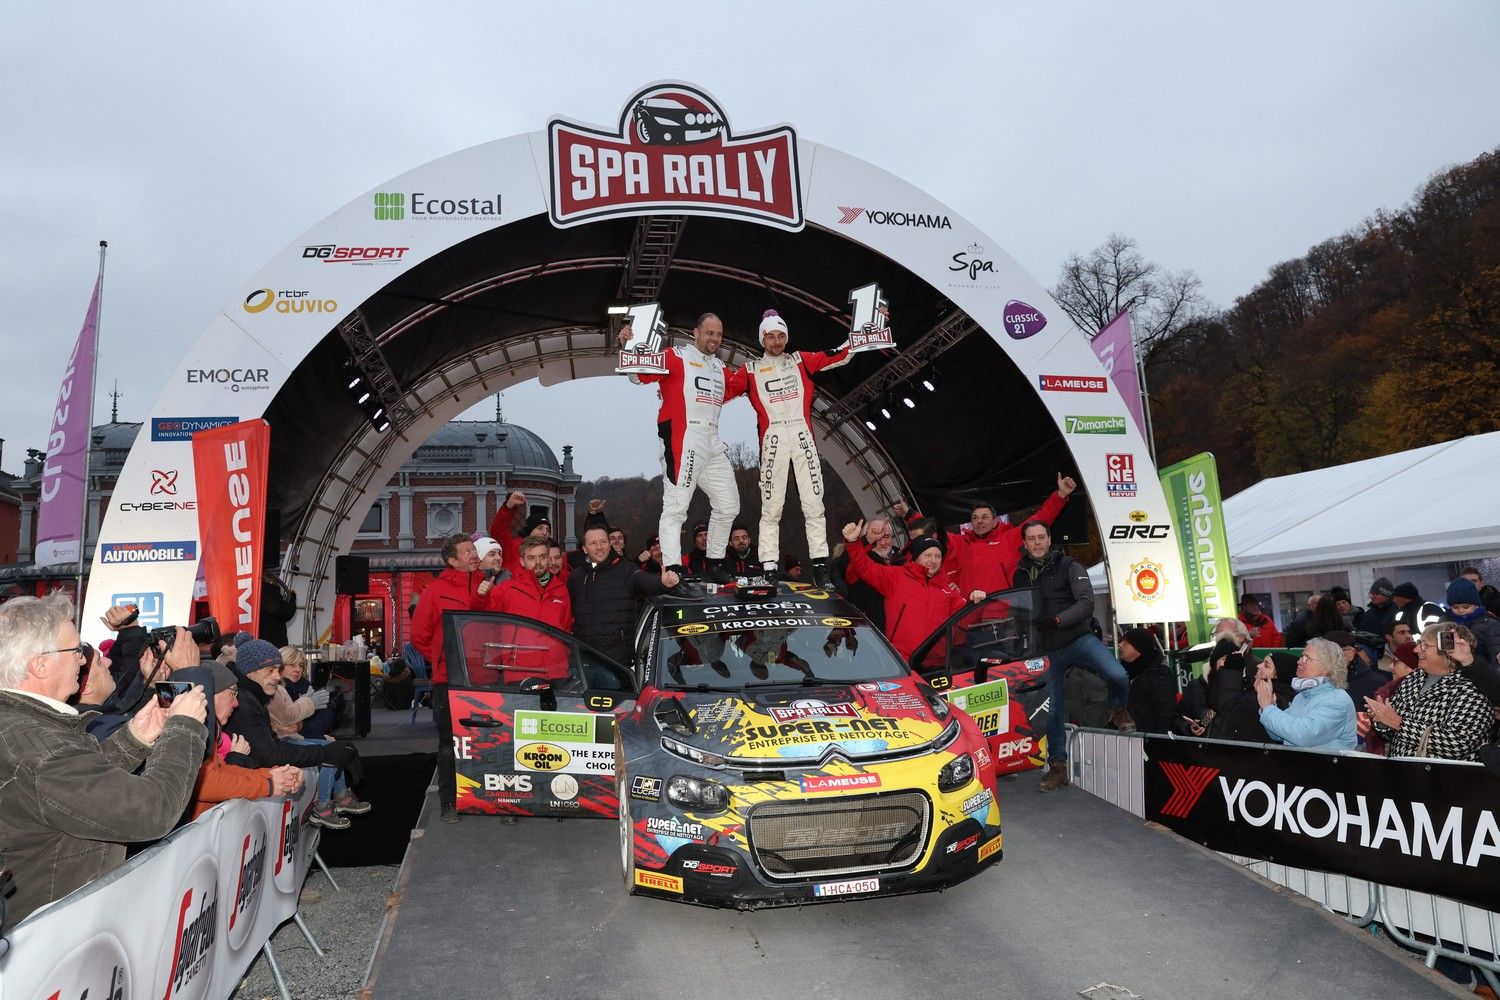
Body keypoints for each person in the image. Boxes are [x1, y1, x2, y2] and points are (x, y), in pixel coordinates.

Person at [0, 592, 208, 924]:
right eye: (77, 651)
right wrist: (185, 727)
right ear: (39, 664)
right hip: (57, 938)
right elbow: (152, 811)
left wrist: (134, 738)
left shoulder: (25, 727)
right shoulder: (41, 747)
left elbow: (73, 789)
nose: (84, 661)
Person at [735, 308, 878, 589]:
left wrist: (871, 322)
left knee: (814, 504)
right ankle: (769, 567)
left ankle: (821, 566)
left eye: (781, 336)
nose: (776, 342)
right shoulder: (750, 370)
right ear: (762, 339)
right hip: (773, 439)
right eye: (770, 337)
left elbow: (840, 353)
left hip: (802, 435)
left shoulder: (801, 361)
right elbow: (719, 390)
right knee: (771, 507)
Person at [617, 313, 743, 590]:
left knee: (729, 504)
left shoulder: (720, 368)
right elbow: (638, 376)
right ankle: (673, 567)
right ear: (695, 332)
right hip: (683, 438)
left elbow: (743, 385)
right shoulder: (676, 356)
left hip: (712, 440)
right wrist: (627, 346)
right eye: (709, 333)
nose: (714, 339)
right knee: (676, 507)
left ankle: (715, 564)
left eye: (719, 334)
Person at [1013, 519, 1136, 793]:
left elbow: (1086, 602)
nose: (1036, 542)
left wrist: (1058, 619)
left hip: (1078, 639)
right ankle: (1057, 768)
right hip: (1046, 651)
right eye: (1031, 538)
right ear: (1024, 543)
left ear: (1048, 538)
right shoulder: (1020, 573)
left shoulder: (1069, 565)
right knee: (1053, 710)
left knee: (1117, 673)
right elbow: (1018, 612)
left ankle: (1118, 708)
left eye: (1041, 537)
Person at [225, 637, 368, 830]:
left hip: (266, 768)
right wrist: (323, 752)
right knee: (330, 749)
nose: (278, 675)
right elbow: (270, 750)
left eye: (279, 669)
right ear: (252, 672)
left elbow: (276, 740)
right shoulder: (246, 701)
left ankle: (338, 796)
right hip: (245, 794)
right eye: (272, 670)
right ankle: (325, 804)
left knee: (331, 747)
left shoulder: (255, 695)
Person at [898, 474, 1077, 608]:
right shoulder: (961, 542)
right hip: (969, 613)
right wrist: (909, 514)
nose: (979, 521)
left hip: (1003, 613)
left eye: (985, 517)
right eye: (975, 518)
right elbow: (931, 531)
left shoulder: (1009, 538)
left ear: (994, 521)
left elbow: (1040, 518)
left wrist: (1060, 495)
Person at [410, 533, 480, 823]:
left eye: (475, 549)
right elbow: (418, 636)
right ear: (453, 560)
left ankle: (482, 799)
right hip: (447, 679)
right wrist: (441, 659)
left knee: (485, 741)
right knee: (449, 744)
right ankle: (449, 803)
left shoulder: (487, 586)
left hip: (483, 678)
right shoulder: (436, 590)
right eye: (468, 551)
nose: (475, 554)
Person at [842, 522, 984, 662]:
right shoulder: (895, 577)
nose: (933, 560)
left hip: (938, 663)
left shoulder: (947, 589)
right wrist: (854, 541)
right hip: (902, 660)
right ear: (917, 557)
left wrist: (975, 602)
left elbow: (966, 620)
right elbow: (864, 567)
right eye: (928, 555)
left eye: (938, 556)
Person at [189, 662, 303, 820]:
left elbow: (219, 771)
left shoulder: (209, 731)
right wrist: (268, 784)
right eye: (232, 694)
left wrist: (271, 775)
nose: (236, 703)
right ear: (210, 694)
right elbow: (203, 782)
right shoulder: (195, 732)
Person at [1367, 623, 1494, 761]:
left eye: (1424, 645)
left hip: (1445, 778)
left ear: (1448, 651)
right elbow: (1392, 733)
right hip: (1403, 774)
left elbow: (1458, 744)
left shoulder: (1473, 687)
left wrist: (1398, 723)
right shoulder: (1415, 678)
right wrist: (1382, 720)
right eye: (1418, 643)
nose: (1416, 650)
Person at [569, 526, 678, 665]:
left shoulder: (626, 570)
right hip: (584, 659)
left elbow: (644, 581)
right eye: (593, 543)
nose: (599, 547)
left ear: (609, 545)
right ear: (584, 548)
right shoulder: (575, 577)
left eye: (603, 542)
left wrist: (663, 583)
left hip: (617, 662)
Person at [1256, 637, 1357, 750]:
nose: (1299, 662)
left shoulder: (1337, 701)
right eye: (1301, 656)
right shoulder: (1302, 697)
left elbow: (1303, 736)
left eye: (1306, 658)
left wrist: (1269, 709)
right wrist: (1268, 707)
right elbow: (1277, 735)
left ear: (1327, 667)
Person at [832, 516, 903, 631]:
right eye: (877, 537)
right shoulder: (859, 561)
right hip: (868, 631)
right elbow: (842, 567)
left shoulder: (904, 560)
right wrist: (866, 540)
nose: (883, 542)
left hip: (900, 633)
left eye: (887, 537)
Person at [1357, 640, 1417, 755]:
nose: (1390, 667)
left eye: (1396, 662)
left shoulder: (1405, 693)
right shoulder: (1388, 689)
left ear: (1412, 666)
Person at [1119, 627, 1177, 734]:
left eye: (1126, 643)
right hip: (1132, 736)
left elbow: (1166, 714)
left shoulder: (1159, 676)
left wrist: (1155, 742)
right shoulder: (1125, 670)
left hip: (1149, 740)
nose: (1120, 645)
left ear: (1139, 648)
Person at [1323, 629, 1390, 709]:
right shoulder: (1313, 679)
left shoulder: (1376, 683)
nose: (1323, 659)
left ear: (1350, 654)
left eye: (1330, 654)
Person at [1446, 576, 1500, 664]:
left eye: (1466, 607)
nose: (1460, 610)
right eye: (1455, 607)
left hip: (1485, 670)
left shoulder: (1489, 623)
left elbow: (1496, 650)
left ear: (1476, 605)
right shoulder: (1447, 623)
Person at [1362, 577, 1398, 642]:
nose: (1372, 596)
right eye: (1371, 593)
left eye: (1377, 594)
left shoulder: (1397, 611)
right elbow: (1363, 631)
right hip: (1373, 649)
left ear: (1387, 594)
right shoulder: (1368, 614)